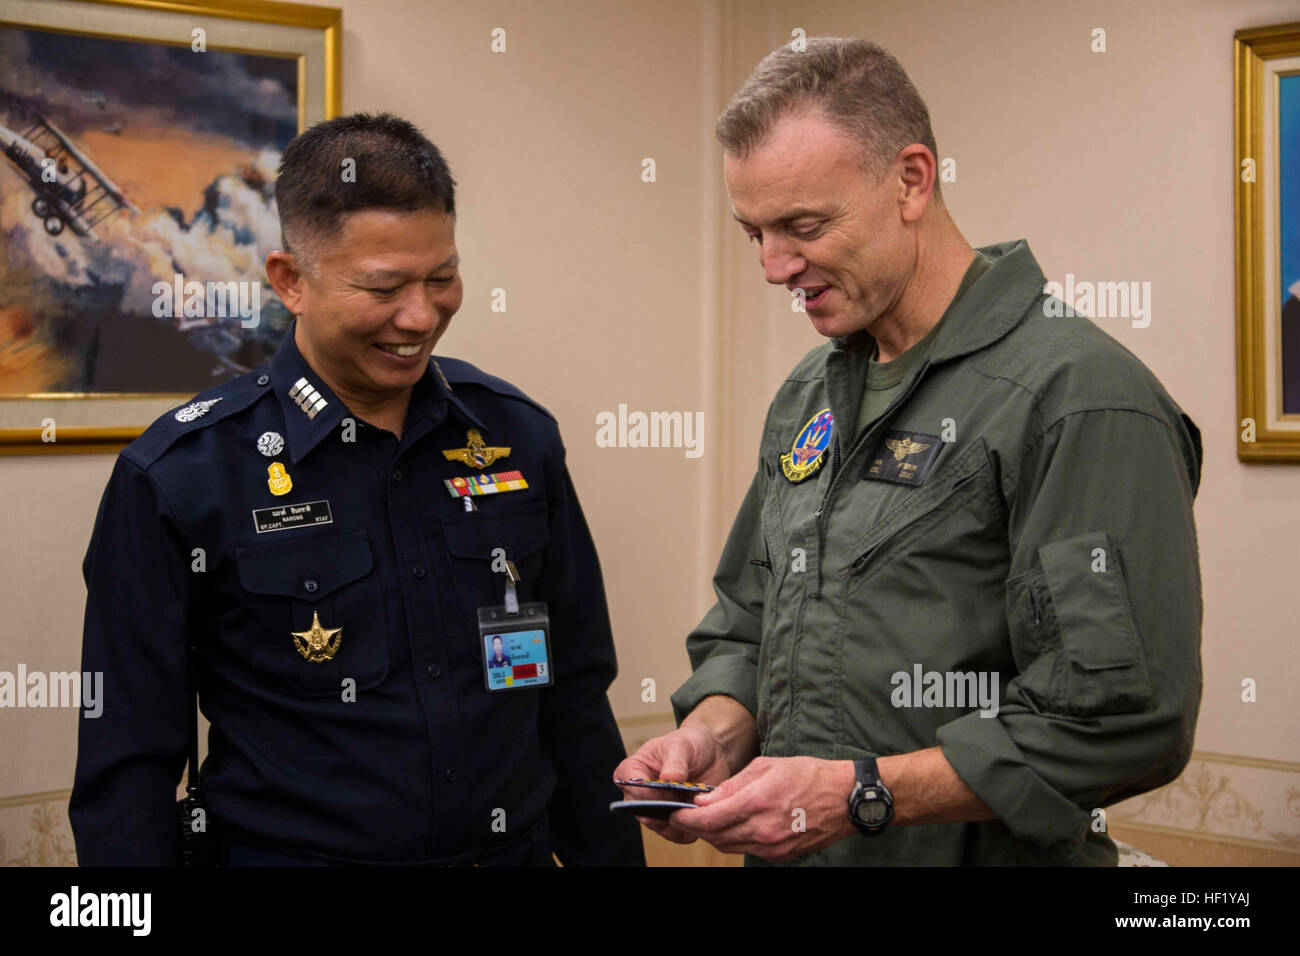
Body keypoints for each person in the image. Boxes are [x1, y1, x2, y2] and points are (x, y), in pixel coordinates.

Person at [616, 37, 1203, 866]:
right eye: (753, 232)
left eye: (803, 226)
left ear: (912, 180)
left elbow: (1118, 720)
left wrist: (864, 796)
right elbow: (751, 625)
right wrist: (712, 733)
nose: (774, 266)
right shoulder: (807, 395)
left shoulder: (1077, 398)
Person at [70, 112, 644, 867]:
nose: (420, 315)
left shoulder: (517, 436)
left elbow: (573, 697)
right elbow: (128, 771)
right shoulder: (181, 475)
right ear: (289, 282)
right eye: (383, 287)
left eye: (442, 278)